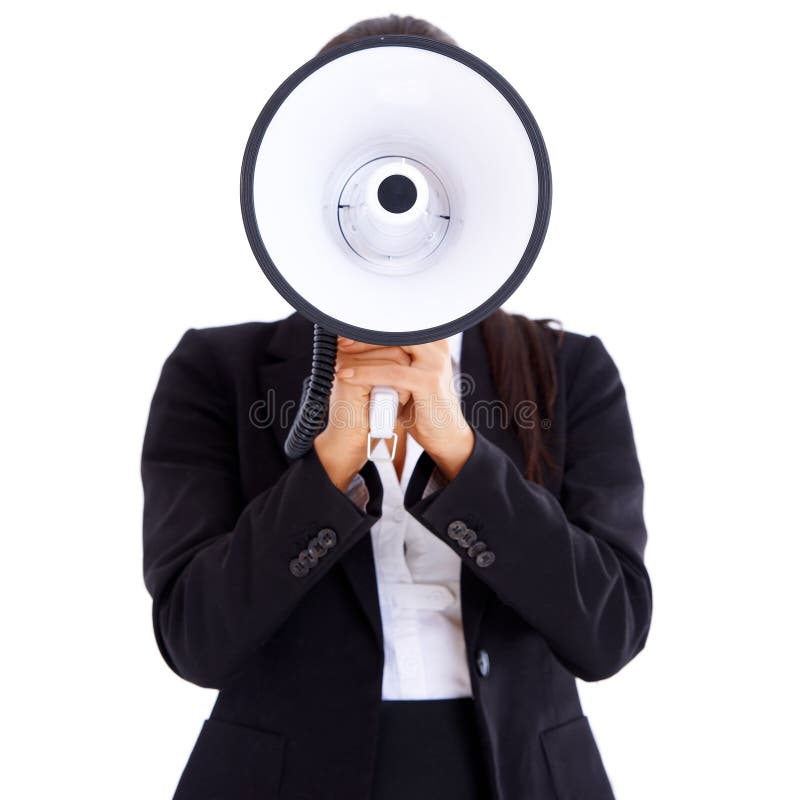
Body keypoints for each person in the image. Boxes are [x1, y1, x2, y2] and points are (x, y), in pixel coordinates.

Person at [141, 14, 653, 800]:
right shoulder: (216, 371)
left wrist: (464, 458)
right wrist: (325, 469)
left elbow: (609, 629)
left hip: (518, 776)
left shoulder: (568, 371)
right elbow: (195, 642)